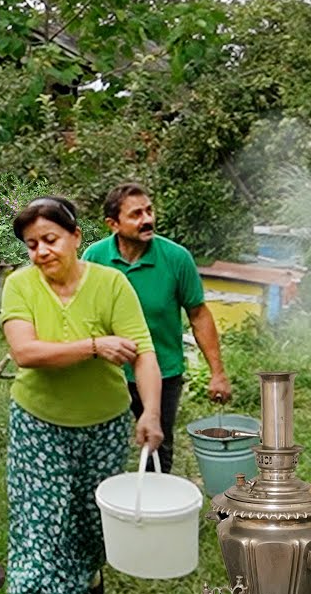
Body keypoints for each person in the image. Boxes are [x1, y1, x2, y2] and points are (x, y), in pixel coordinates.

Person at [0, 196, 164, 594]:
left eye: (49, 239)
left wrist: (149, 412)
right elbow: (26, 353)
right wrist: (93, 345)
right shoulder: (20, 287)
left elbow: (144, 352)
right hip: (39, 423)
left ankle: (89, 572)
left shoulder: (110, 285)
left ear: (75, 237)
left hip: (104, 423)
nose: (41, 252)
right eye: (31, 245)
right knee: (44, 518)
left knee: (92, 518)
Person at [84, 183, 232, 474]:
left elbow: (199, 315)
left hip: (162, 371)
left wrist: (217, 372)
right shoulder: (94, 258)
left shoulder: (176, 258)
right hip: (107, 372)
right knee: (99, 444)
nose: (147, 219)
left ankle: (157, 509)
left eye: (149, 210)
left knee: (157, 445)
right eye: (136, 214)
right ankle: (106, 507)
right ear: (112, 224)